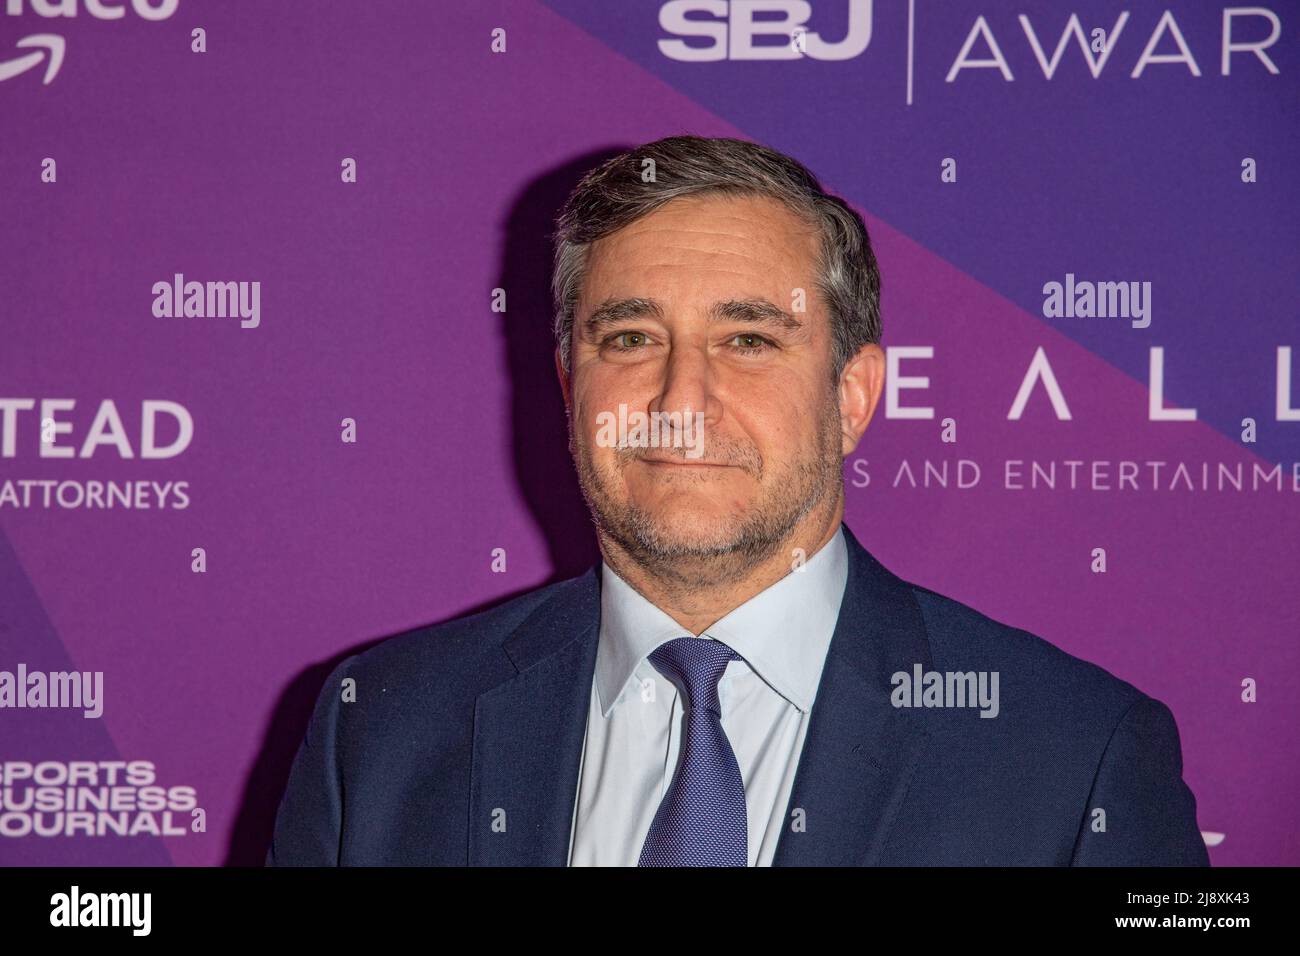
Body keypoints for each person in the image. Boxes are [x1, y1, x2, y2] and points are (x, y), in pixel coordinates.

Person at [265, 135, 1209, 866]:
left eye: (749, 340)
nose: (681, 401)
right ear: (568, 383)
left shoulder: (1072, 754)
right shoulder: (380, 733)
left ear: (851, 397)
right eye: (630, 338)